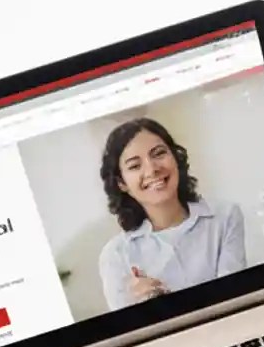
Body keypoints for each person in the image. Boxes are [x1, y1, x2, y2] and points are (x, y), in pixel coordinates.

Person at [97, 117, 246, 311]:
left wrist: (166, 302)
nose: (152, 170)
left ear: (176, 158)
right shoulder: (115, 255)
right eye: (134, 166)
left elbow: (235, 300)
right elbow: (132, 335)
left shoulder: (225, 217)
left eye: (158, 154)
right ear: (121, 183)